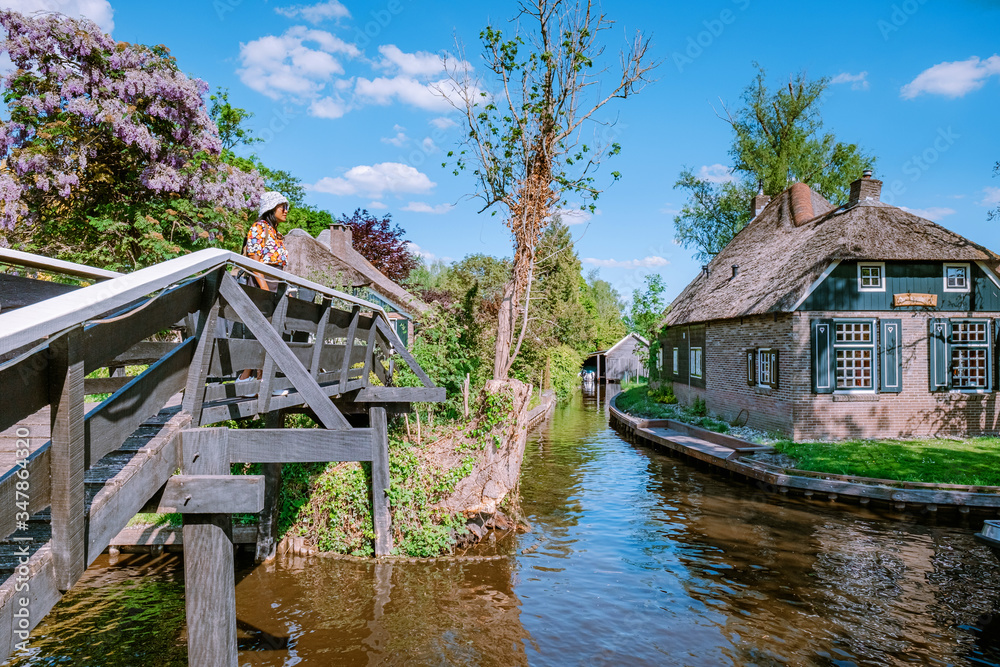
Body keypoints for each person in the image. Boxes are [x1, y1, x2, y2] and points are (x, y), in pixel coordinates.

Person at [236, 192, 291, 387]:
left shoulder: (276, 233)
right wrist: (265, 288)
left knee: (270, 331)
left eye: (286, 207)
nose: (286, 210)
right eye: (281, 206)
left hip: (274, 284)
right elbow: (254, 261)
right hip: (262, 283)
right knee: (261, 330)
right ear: (270, 208)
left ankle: (255, 380)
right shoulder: (259, 228)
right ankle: (251, 379)